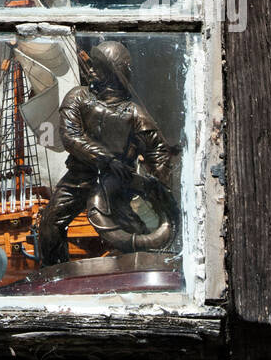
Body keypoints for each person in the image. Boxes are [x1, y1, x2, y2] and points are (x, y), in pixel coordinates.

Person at [32, 40, 173, 266]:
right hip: (80, 178)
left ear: (112, 73)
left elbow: (158, 151)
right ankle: (55, 273)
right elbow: (71, 136)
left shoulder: (134, 113)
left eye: (98, 67)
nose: (91, 70)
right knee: (50, 223)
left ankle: (143, 267)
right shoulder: (78, 97)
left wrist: (158, 187)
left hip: (119, 182)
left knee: (133, 231)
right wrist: (106, 159)